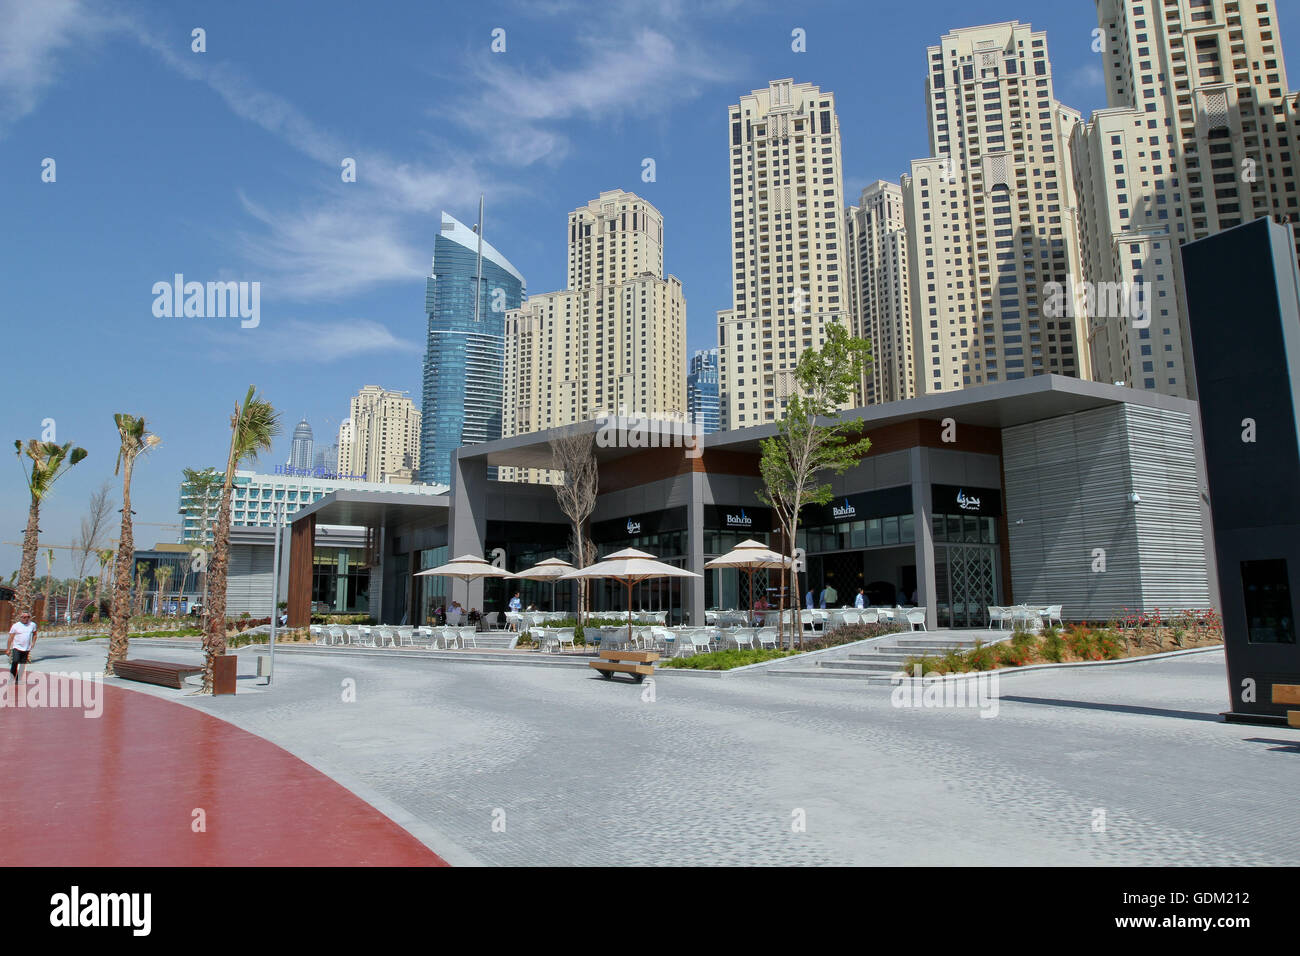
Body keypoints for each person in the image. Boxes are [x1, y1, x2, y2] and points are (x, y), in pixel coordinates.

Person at [7, 610, 37, 685]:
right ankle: (12, 678)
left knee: (23, 664)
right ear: (20, 617)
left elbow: (35, 634)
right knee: (15, 661)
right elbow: (10, 637)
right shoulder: (16, 626)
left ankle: (18, 679)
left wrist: (33, 643)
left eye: (28, 617)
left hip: (26, 648)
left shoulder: (32, 625)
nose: (26, 619)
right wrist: (8, 649)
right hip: (17, 647)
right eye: (24, 617)